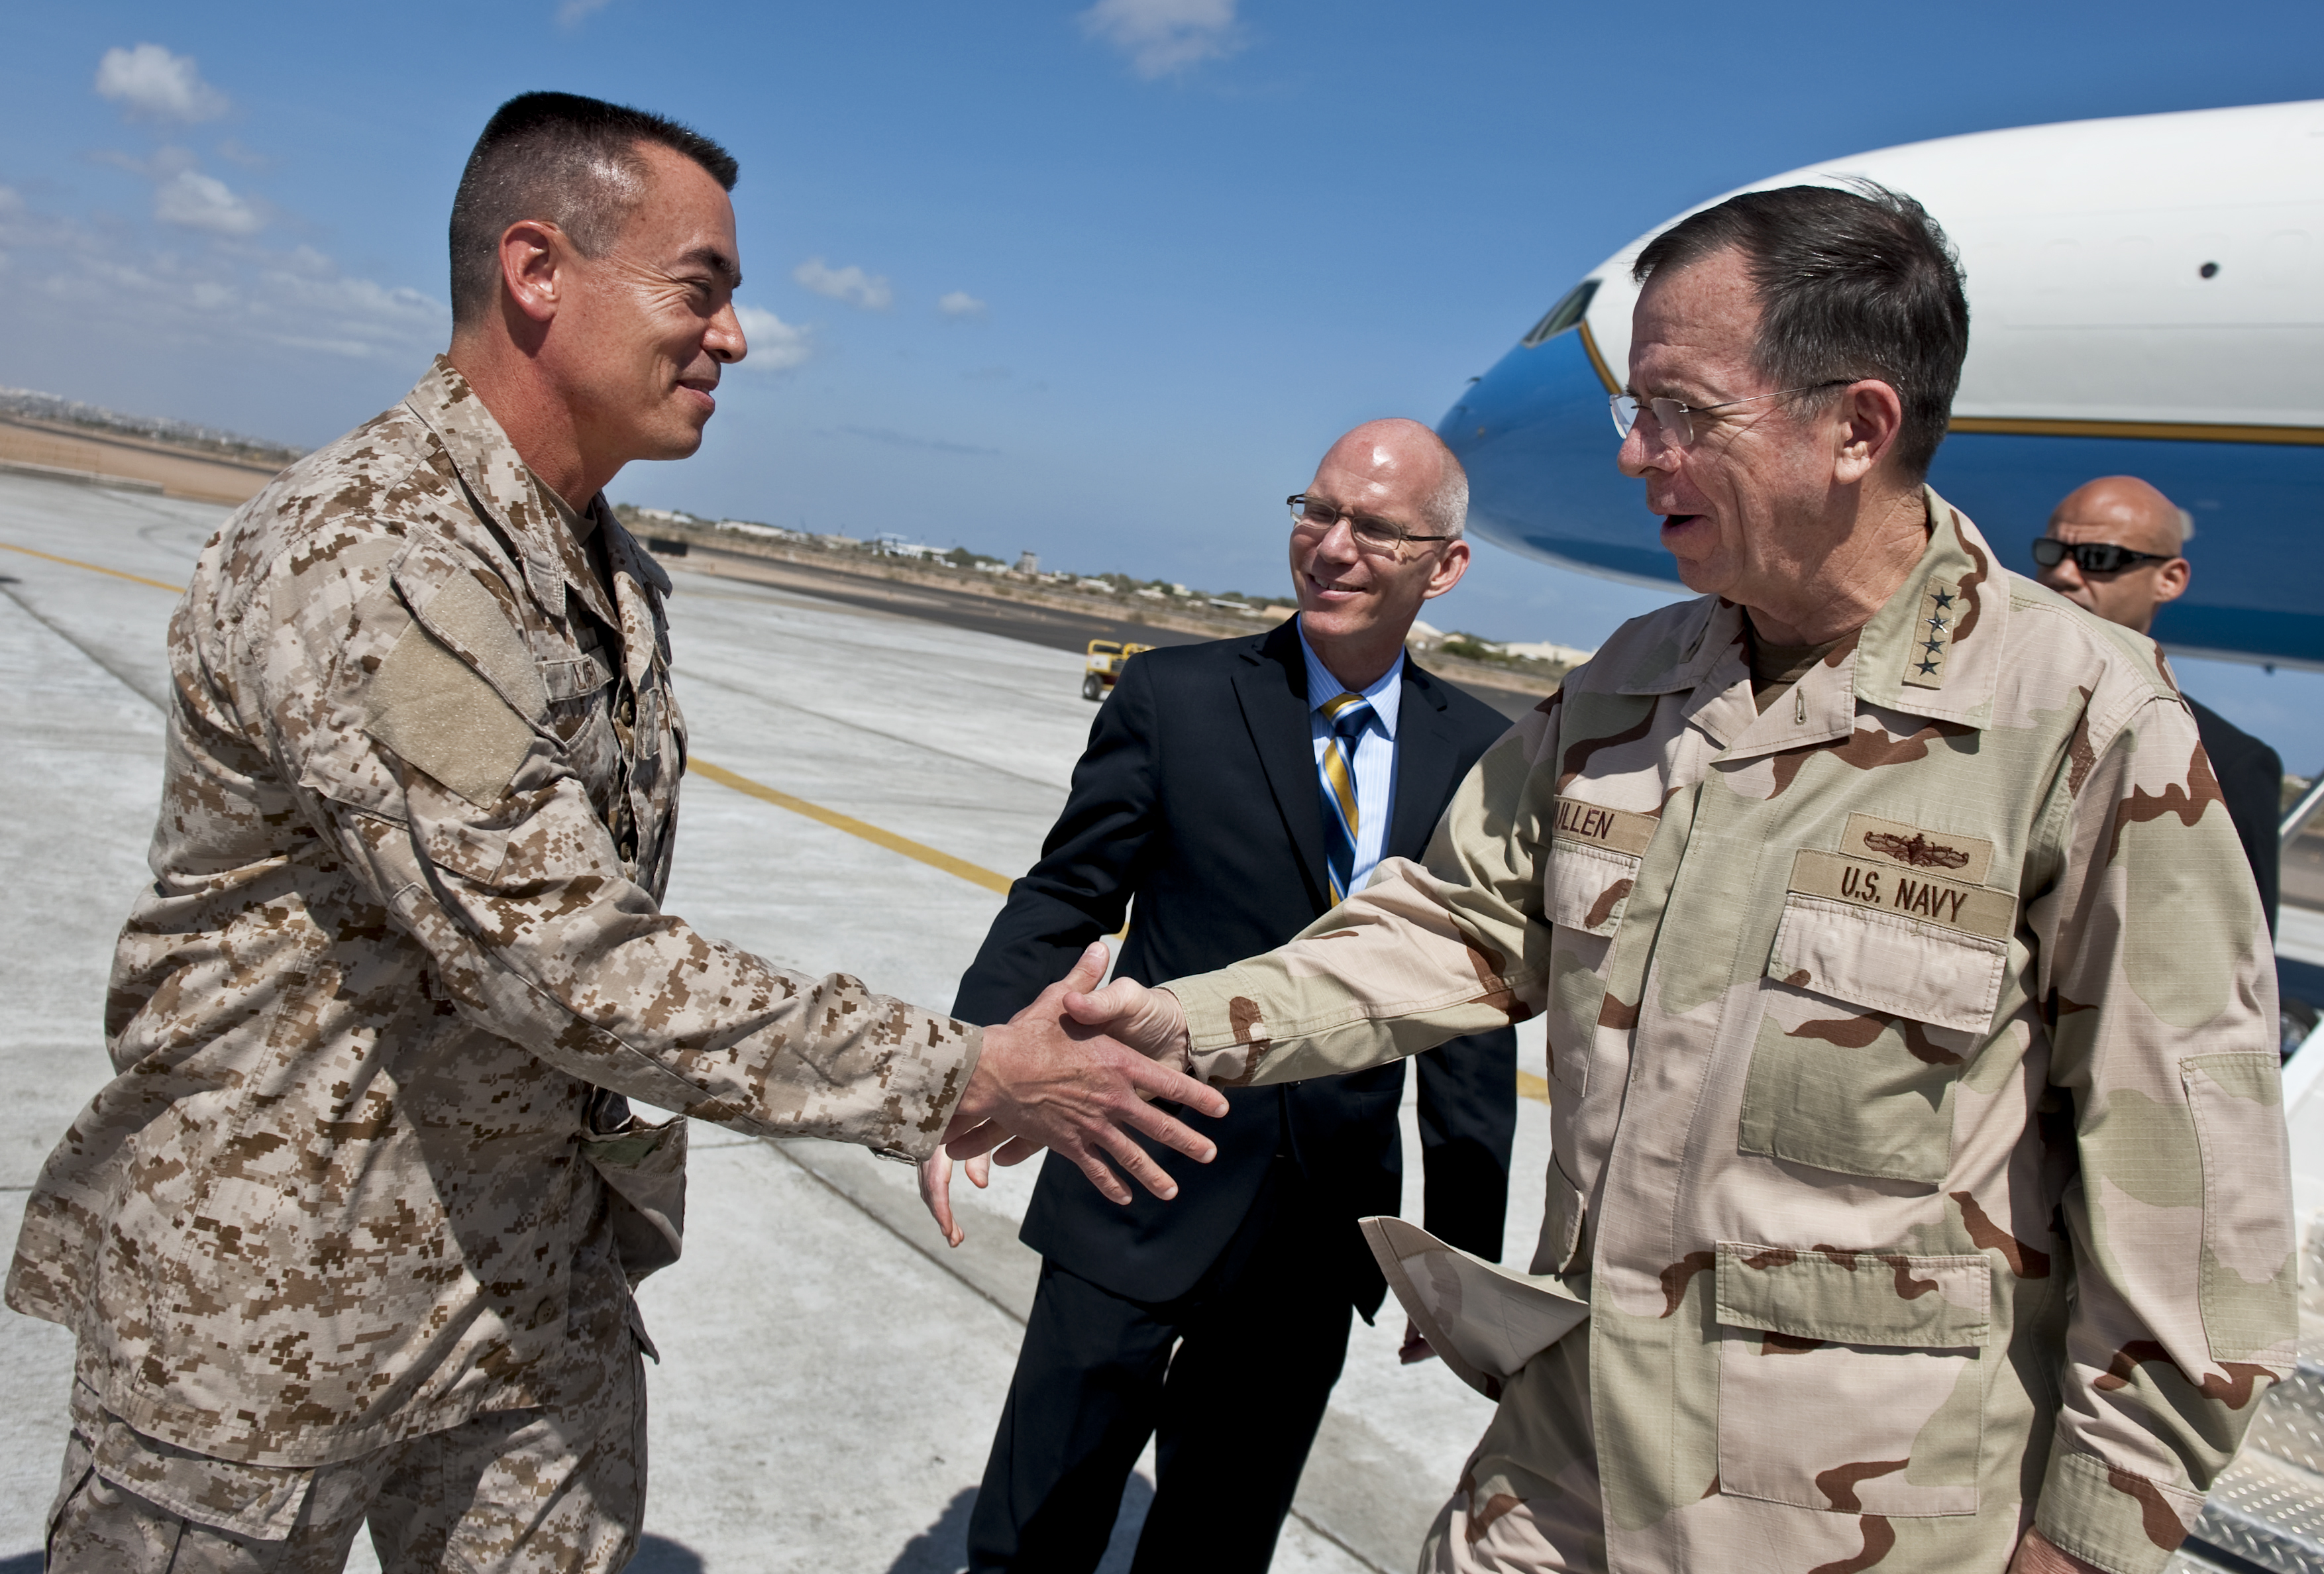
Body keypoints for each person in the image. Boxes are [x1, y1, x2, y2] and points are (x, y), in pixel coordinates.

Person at [11, 91, 1224, 1574]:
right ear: (537, 271)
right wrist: (960, 1072)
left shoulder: (600, 565)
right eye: (699, 288)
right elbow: (565, 959)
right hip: (271, 1303)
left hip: (530, 1286)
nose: (735, 338)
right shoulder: (380, 559)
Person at [1052, 184, 2294, 1574]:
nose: (1635, 454)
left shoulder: (2083, 727)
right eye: (1632, 409)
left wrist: (2085, 1544)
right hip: (1561, 1473)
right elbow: (1458, 926)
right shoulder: (1631, 682)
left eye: (1679, 412)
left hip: (1850, 1525)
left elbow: (2191, 1209)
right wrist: (1178, 1021)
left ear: (1855, 428)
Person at [922, 419, 1520, 1572]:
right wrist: (969, 1068)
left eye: (1374, 528)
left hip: (1320, 1223)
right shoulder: (1175, 695)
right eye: (1316, 511)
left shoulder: (1483, 754)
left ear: (1444, 564)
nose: (1330, 547)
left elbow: (1470, 997)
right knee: (1034, 1530)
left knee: (1219, 1545)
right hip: (1133, 1168)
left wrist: (1457, 1246)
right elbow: (1065, 896)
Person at [2034, 476, 2283, 933]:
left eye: (2099, 558)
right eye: (2051, 553)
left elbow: (2236, 950)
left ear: (2169, 580)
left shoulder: (2227, 764)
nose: (2063, 574)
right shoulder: (1964, 707)